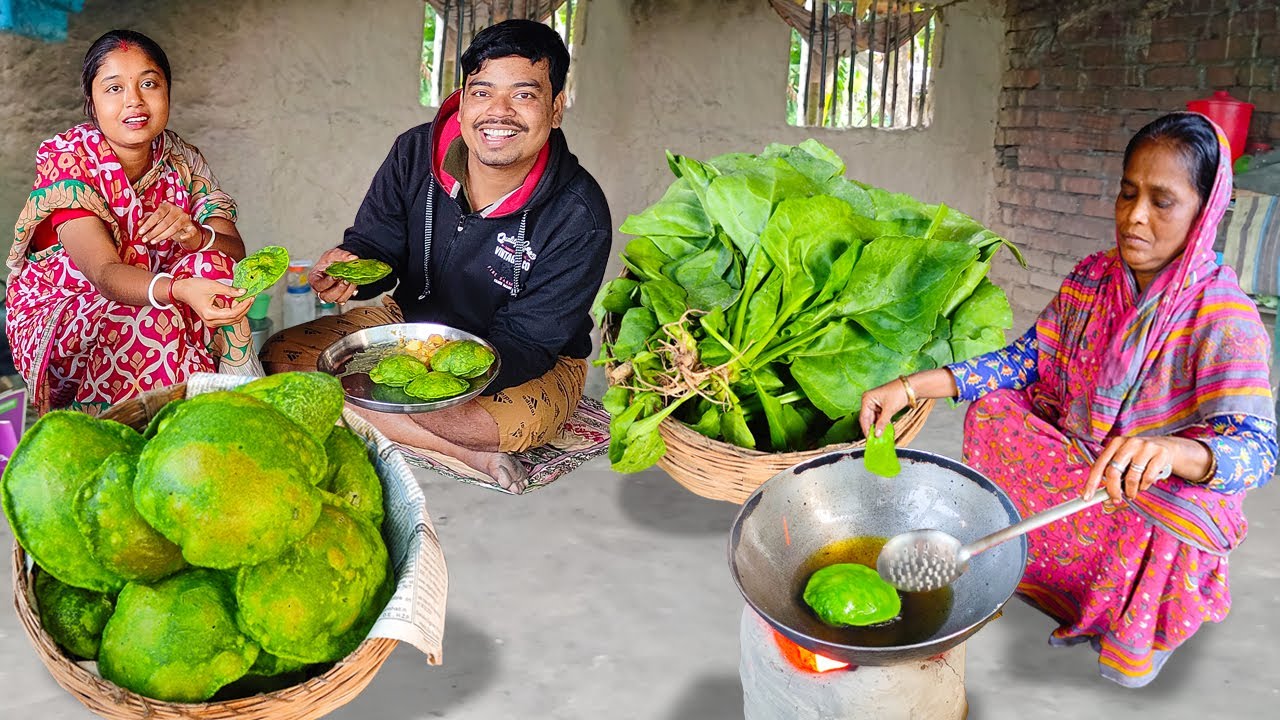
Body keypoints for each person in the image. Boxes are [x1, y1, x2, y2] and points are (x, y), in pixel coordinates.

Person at [860, 112, 1277, 688]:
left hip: (1152, 487)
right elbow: (1026, 360)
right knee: (996, 415)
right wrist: (910, 387)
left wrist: (1173, 452)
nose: (1134, 216)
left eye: (1163, 202)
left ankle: (1130, 623)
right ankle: (1038, 572)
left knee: (1168, 514)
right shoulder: (1093, 278)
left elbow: (1258, 450)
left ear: (1203, 213)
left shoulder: (1224, 316)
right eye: (1128, 193)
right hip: (1082, 453)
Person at [260, 20, 611, 494]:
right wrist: (350, 269)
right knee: (280, 356)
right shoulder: (413, 152)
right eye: (482, 92)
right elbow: (376, 245)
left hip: (523, 359)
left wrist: (435, 378)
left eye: (524, 96)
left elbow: (529, 340)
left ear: (555, 108)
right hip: (407, 324)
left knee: (489, 422)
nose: (498, 113)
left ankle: (438, 433)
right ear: (462, 99)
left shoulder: (578, 213)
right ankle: (462, 455)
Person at [5, 29, 255, 416]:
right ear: (92, 102)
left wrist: (195, 233)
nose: (134, 101)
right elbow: (105, 274)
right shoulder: (70, 161)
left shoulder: (181, 158)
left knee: (213, 265)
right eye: (114, 88)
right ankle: (126, 428)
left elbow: (234, 249)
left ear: (167, 90)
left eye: (149, 84)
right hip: (66, 311)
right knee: (147, 314)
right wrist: (180, 289)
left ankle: (235, 388)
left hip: (160, 292)